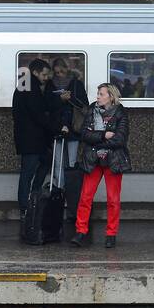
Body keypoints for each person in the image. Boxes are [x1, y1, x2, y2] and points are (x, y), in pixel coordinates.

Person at [70, 83, 130, 248]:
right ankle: (81, 231)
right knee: (85, 197)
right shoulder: (91, 110)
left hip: (113, 160)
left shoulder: (120, 113)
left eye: (101, 94)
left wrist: (97, 140)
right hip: (93, 159)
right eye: (97, 93)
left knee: (113, 199)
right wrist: (104, 135)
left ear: (110, 96)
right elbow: (84, 134)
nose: (97, 97)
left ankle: (111, 234)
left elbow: (120, 139)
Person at [12, 59, 65, 216]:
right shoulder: (31, 89)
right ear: (35, 72)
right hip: (32, 139)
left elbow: (39, 108)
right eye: (44, 74)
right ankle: (26, 206)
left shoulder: (25, 85)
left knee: (42, 163)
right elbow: (39, 114)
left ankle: (32, 197)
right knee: (28, 172)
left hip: (29, 138)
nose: (47, 77)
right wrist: (58, 127)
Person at [50, 57, 89, 221]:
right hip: (58, 128)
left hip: (73, 128)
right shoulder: (51, 85)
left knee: (71, 162)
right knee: (58, 162)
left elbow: (84, 105)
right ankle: (59, 194)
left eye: (62, 71)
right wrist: (59, 99)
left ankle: (71, 196)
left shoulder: (76, 84)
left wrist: (69, 98)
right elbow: (48, 104)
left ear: (67, 69)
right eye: (57, 72)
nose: (59, 75)